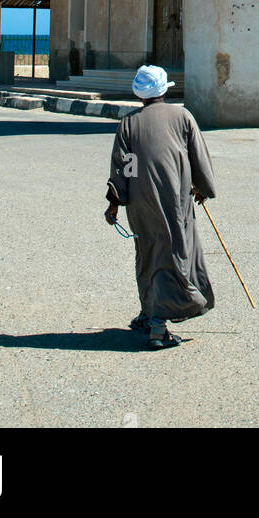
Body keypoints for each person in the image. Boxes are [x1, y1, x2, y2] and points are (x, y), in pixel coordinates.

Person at [105, 64, 216, 350]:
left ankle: (148, 311)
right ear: (165, 88)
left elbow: (123, 167)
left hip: (141, 204)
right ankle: (158, 326)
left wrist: (116, 202)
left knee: (149, 254)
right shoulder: (182, 116)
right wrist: (203, 188)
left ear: (139, 94)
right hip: (176, 201)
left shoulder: (129, 123)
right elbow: (198, 156)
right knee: (175, 253)